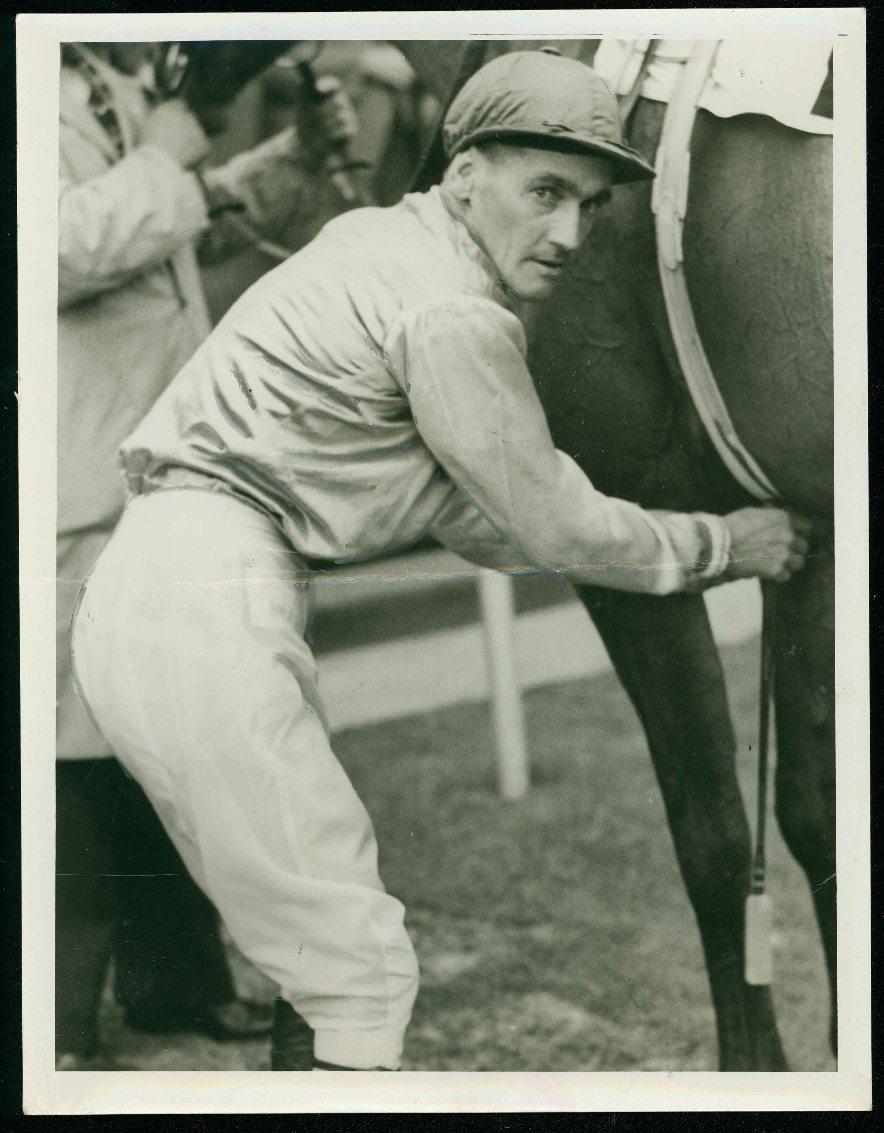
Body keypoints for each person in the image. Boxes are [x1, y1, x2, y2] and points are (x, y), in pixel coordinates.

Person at [69, 50, 811, 1072]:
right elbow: (551, 523)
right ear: (462, 173)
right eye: (542, 191)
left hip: (158, 595)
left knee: (317, 953)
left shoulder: (373, 240)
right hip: (202, 601)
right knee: (356, 967)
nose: (565, 234)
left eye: (588, 207)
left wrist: (638, 541)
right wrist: (726, 543)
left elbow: (480, 516)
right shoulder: (452, 312)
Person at [56, 40, 357, 1069]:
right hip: (67, 468)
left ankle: (176, 982)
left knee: (169, 729)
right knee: (75, 751)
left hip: (153, 460)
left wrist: (293, 157)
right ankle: (53, 1024)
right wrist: (167, 153)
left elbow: (182, 220)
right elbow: (48, 245)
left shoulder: (117, 82)